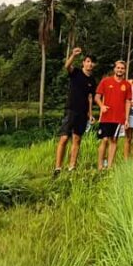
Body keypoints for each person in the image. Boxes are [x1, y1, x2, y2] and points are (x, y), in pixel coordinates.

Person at [54, 47, 96, 176]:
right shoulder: (76, 72)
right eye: (87, 61)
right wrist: (73, 55)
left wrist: (90, 114)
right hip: (71, 109)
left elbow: (90, 98)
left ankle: (72, 167)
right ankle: (58, 168)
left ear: (94, 65)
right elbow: (67, 66)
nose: (90, 64)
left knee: (77, 139)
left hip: (83, 113)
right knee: (64, 138)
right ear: (83, 62)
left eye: (92, 62)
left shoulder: (92, 81)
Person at [95, 60, 132, 170]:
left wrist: (126, 119)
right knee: (104, 140)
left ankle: (110, 166)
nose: (120, 70)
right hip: (106, 117)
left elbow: (128, 102)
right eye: (118, 68)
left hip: (119, 118)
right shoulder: (106, 81)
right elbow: (97, 97)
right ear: (114, 69)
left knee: (114, 140)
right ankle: (100, 166)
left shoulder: (127, 85)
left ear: (125, 70)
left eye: (122, 68)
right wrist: (101, 106)